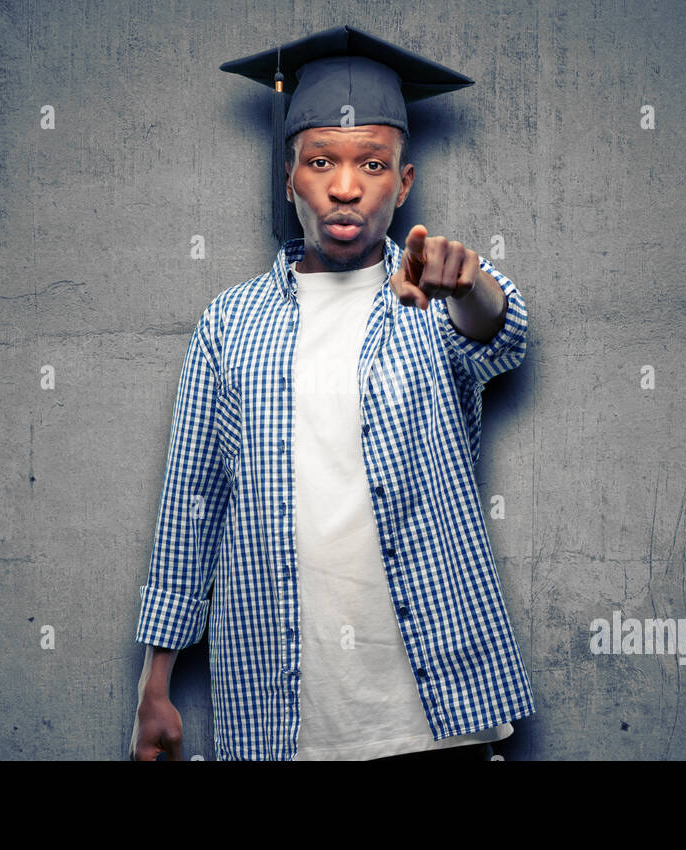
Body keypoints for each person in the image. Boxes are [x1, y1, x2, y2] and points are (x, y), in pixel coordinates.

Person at [130, 24, 534, 761]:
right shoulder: (230, 324)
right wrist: (154, 688)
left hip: (437, 714)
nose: (345, 185)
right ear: (291, 177)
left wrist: (467, 281)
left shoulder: (431, 297)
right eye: (321, 161)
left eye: (373, 164)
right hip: (285, 716)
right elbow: (192, 505)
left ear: (403, 181)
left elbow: (500, 334)